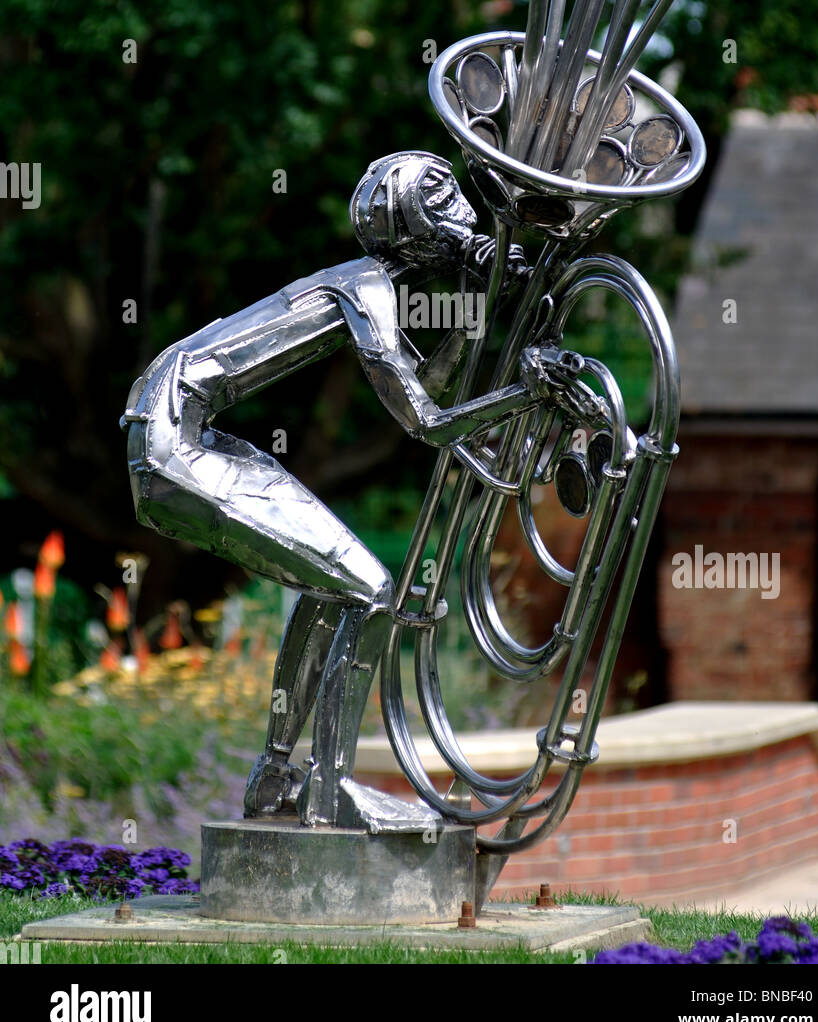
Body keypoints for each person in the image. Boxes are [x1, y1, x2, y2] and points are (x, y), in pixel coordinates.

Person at [121, 151, 576, 826]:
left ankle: (276, 779)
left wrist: (476, 305)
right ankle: (330, 793)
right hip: (174, 445)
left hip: (173, 434)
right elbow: (426, 423)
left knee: (332, 585)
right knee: (370, 592)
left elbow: (432, 390)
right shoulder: (362, 288)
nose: (465, 218)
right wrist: (525, 391)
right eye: (447, 205)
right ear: (414, 222)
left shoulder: (362, 283)